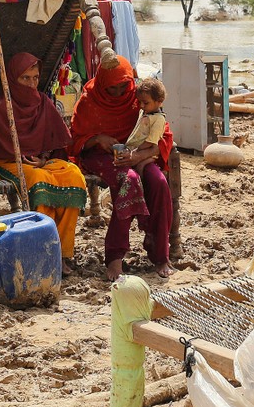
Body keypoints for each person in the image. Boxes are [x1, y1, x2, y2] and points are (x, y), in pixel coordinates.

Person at [0, 52, 87, 275]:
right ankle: (43, 253)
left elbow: (56, 143)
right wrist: (26, 159)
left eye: (35, 78)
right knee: (39, 180)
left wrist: (43, 158)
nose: (32, 83)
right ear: (12, 79)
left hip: (39, 162)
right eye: (25, 78)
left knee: (73, 175)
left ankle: (62, 252)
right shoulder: (0, 108)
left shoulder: (43, 102)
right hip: (7, 163)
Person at [69, 56, 175, 281]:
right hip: (99, 157)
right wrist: (97, 138)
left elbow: (162, 133)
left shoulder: (140, 99)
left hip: (138, 154)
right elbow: (75, 139)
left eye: (123, 87)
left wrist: (141, 155)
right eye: (112, 89)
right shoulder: (90, 102)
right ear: (101, 84)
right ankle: (115, 256)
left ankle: (160, 254)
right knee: (129, 180)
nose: (118, 93)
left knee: (159, 183)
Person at [122, 78, 167, 174]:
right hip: (135, 149)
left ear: (159, 101)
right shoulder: (144, 112)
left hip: (147, 154)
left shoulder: (159, 119)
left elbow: (150, 142)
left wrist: (135, 152)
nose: (141, 105)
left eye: (146, 103)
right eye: (140, 102)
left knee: (139, 169)